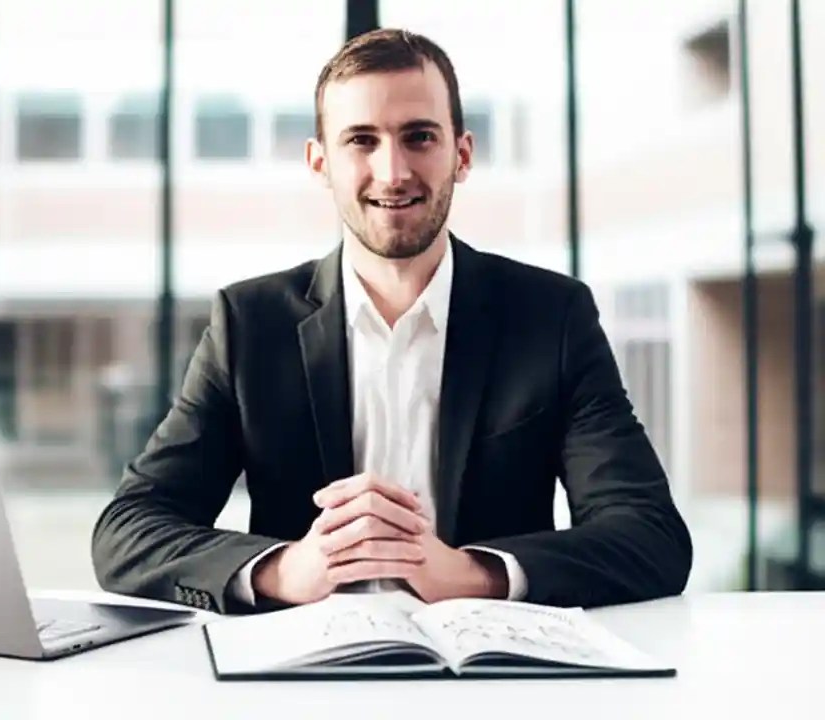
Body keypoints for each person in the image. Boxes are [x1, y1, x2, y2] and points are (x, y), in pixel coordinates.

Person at [90, 28, 692, 614]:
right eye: (361, 140)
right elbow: (128, 530)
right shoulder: (249, 325)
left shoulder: (551, 317)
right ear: (320, 162)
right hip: (301, 686)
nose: (393, 171)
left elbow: (650, 536)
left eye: (419, 137)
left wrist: (472, 573)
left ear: (461, 154)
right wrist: (285, 569)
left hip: (494, 683)